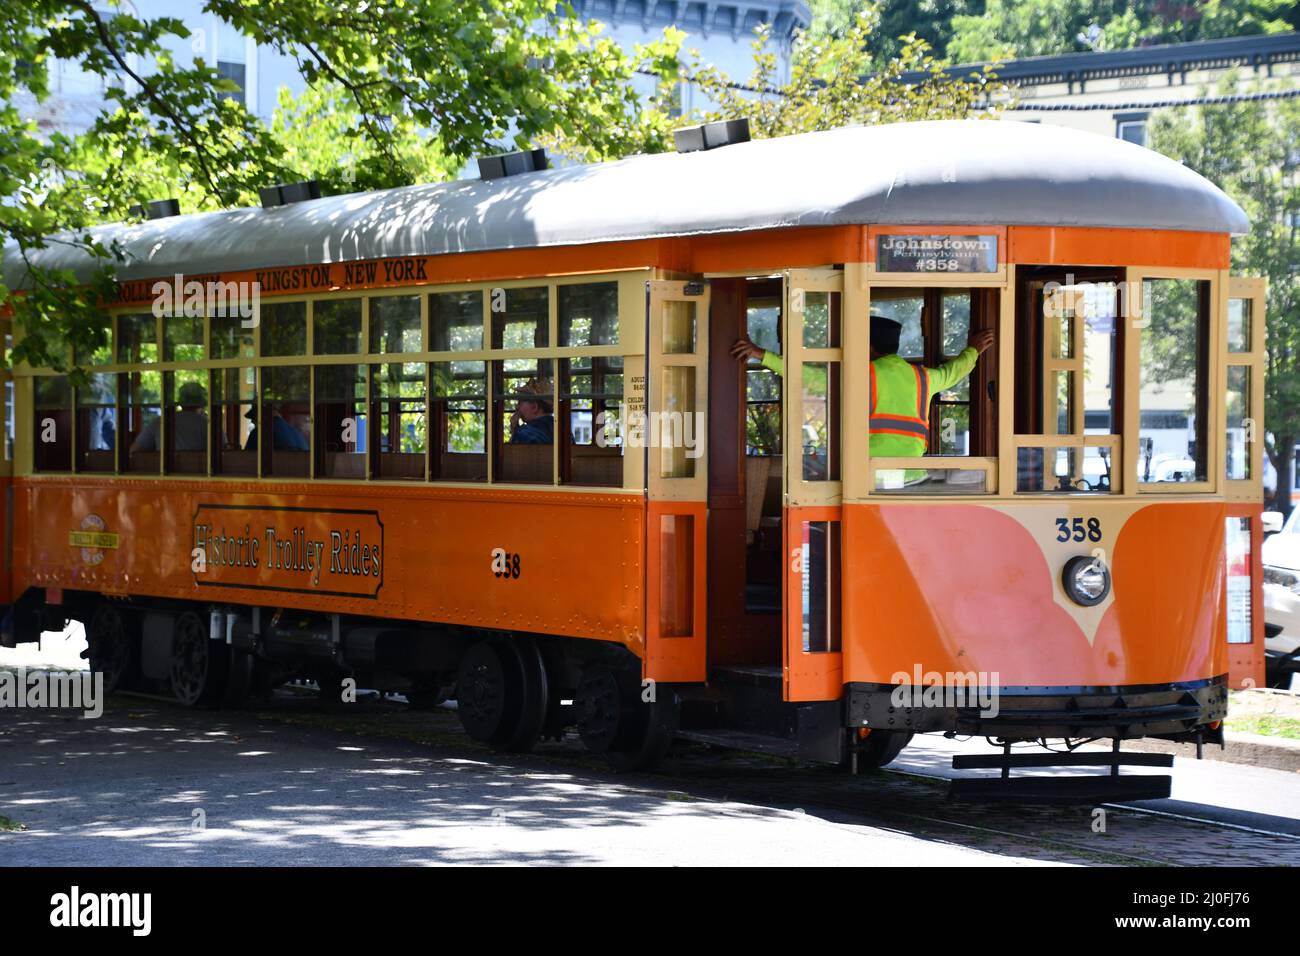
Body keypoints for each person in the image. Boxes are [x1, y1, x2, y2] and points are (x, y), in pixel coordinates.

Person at [732, 315, 995, 461]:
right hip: (913, 476)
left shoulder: (862, 375)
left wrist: (762, 354)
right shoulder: (923, 377)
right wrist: (973, 349)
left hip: (868, 474)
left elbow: (808, 376)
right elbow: (954, 371)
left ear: (869, 348)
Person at [130, 381, 207, 452]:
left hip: (164, 466)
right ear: (202, 404)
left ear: (180, 402)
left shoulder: (160, 421)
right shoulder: (206, 424)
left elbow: (134, 451)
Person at [243, 402, 310, 451]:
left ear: (262, 413)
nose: (252, 421)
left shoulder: (259, 433)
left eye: (254, 416)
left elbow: (246, 460)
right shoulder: (296, 433)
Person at [510, 378, 554, 444]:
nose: (517, 407)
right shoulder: (564, 431)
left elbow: (512, 452)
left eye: (520, 402)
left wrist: (515, 432)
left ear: (534, 407)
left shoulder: (523, 434)